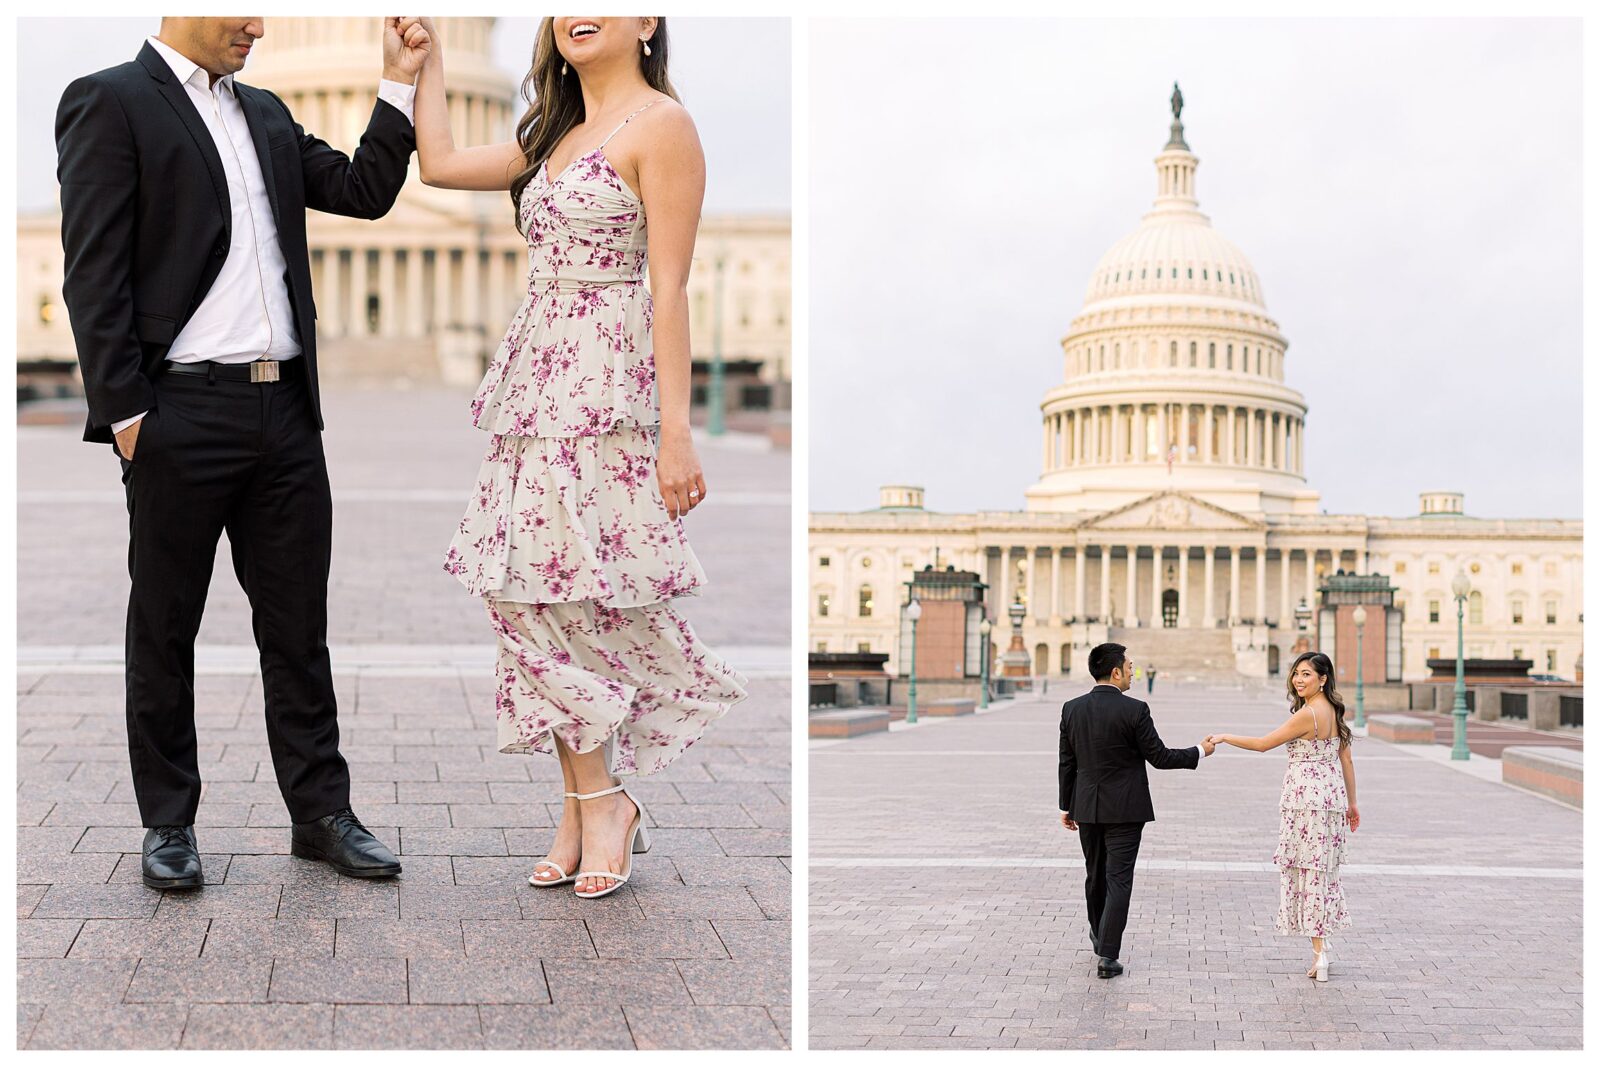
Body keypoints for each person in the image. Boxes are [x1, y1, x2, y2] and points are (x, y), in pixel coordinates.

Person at [55, 17, 428, 890]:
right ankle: (169, 822)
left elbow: (365, 188)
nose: (259, 25)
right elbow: (92, 271)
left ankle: (320, 813)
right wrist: (128, 416)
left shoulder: (264, 111)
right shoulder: (109, 102)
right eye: (242, 11)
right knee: (165, 626)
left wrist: (398, 83)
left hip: (285, 413)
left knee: (299, 628)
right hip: (181, 409)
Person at [415, 16, 747, 900]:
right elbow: (439, 166)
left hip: (605, 389)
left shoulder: (663, 127)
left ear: (648, 23)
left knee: (579, 594)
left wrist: (677, 433)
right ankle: (587, 804)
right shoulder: (550, 134)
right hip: (534, 384)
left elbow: (668, 286)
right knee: (529, 591)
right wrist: (431, 61)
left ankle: (599, 805)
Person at [1058, 643, 1214, 978]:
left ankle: (1100, 934)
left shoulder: (1072, 708)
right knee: (1119, 879)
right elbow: (1160, 757)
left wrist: (1066, 805)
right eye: (1129, 666)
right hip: (1126, 808)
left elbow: (1067, 763)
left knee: (1094, 873)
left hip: (1086, 805)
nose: (1133, 671)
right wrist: (1200, 751)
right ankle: (1108, 955)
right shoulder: (1135, 710)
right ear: (1115, 671)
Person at [1207, 651, 1359, 981]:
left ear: (1323, 679)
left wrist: (1224, 737)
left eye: (1306, 674)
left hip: (1305, 798)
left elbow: (1264, 744)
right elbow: (1346, 761)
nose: (1298, 680)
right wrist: (1352, 803)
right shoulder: (1335, 711)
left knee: (1309, 872)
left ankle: (1320, 955)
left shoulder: (1308, 714)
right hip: (1331, 798)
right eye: (1296, 674)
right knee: (1322, 871)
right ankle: (1321, 947)